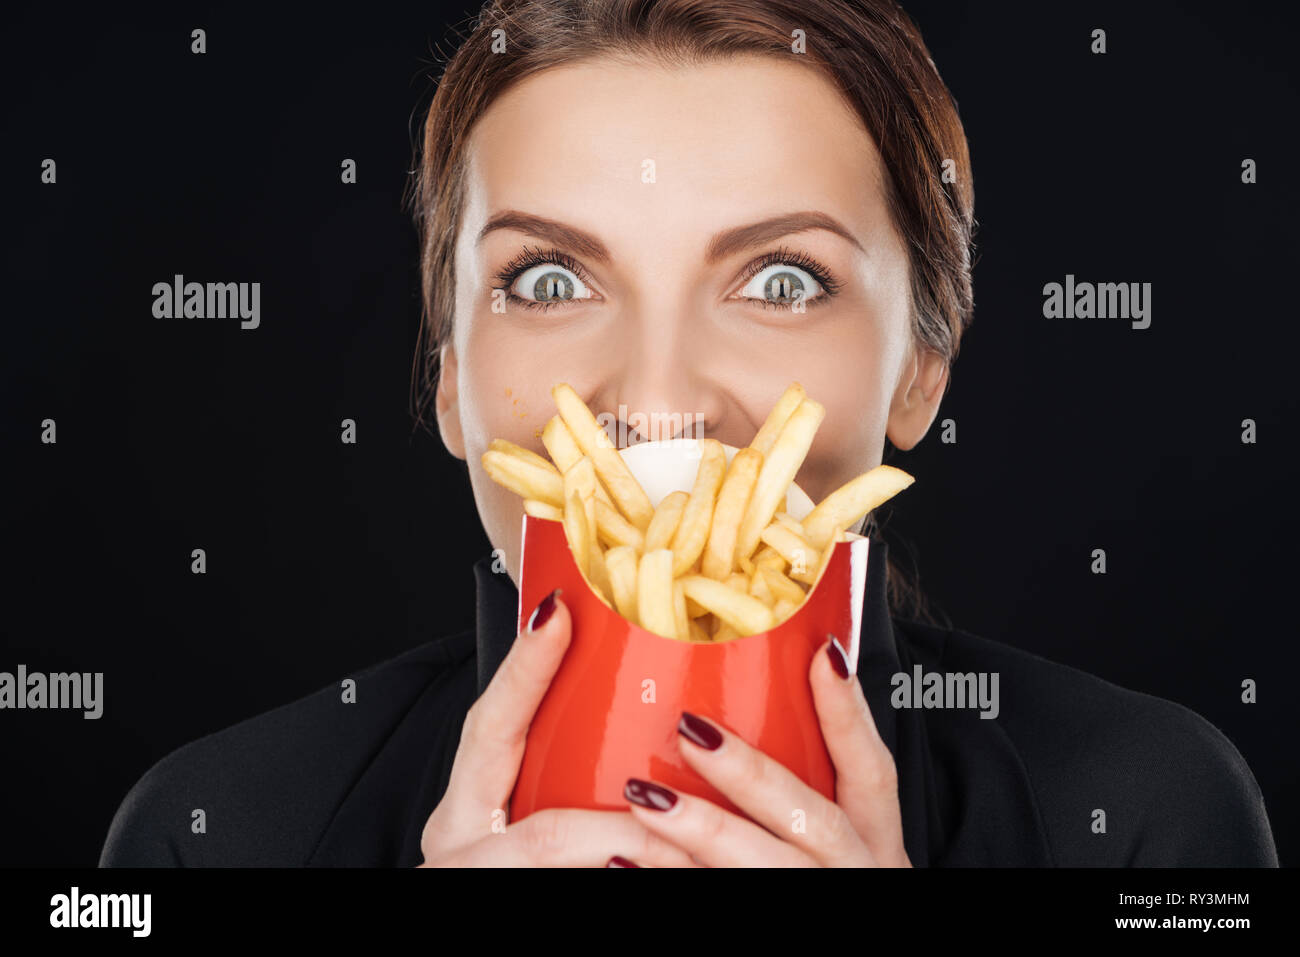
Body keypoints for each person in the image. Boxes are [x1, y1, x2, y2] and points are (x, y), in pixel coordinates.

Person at [100, 0, 1278, 867]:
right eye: (550, 279)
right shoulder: (208, 835)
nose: (658, 400)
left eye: (779, 279)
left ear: (922, 364)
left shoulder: (1148, 820)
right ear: (451, 372)